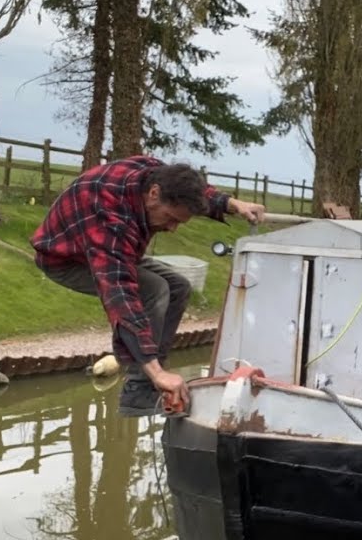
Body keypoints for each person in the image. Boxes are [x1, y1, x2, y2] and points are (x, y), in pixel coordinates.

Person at [30, 155, 266, 417]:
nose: (173, 228)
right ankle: (139, 391)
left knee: (179, 287)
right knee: (154, 289)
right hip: (66, 259)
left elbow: (193, 191)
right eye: (170, 218)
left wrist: (233, 204)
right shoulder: (111, 220)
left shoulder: (152, 173)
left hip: (108, 249)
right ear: (154, 195)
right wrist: (156, 372)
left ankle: (150, 381)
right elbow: (121, 298)